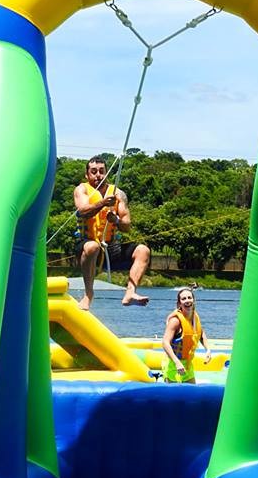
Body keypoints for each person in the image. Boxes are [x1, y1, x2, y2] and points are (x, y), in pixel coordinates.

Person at [73, 157, 151, 310]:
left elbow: (127, 226)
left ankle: (130, 292)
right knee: (92, 247)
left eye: (102, 171)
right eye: (94, 172)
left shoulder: (118, 194)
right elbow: (82, 211)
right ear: (87, 174)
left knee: (143, 250)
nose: (98, 175)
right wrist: (102, 203)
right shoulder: (81, 190)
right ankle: (88, 295)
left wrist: (116, 220)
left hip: (110, 248)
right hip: (86, 246)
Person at [161, 287, 211, 384]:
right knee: (175, 397)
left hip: (188, 365)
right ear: (179, 303)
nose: (187, 300)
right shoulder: (175, 321)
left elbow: (201, 333)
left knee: (193, 396)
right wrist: (177, 362)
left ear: (194, 300)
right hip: (173, 365)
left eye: (189, 297)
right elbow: (165, 342)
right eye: (184, 299)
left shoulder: (195, 317)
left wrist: (208, 349)